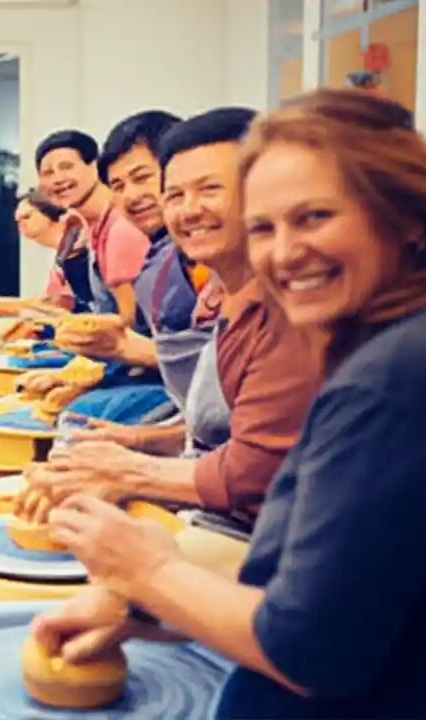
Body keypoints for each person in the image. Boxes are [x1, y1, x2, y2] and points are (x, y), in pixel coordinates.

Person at [34, 89, 426, 717]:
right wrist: (144, 609)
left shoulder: (387, 381)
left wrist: (147, 570)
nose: (284, 252)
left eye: (315, 218)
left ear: (406, 216)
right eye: (264, 228)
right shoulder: (372, 349)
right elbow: (337, 592)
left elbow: (311, 650)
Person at [21, 108, 322, 525]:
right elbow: (219, 429)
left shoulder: (294, 310)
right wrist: (135, 440)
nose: (189, 210)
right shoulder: (223, 289)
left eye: (210, 189)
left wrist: (130, 470)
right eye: (176, 195)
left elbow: (250, 472)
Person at [35, 130, 152, 328]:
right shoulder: (91, 229)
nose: (57, 179)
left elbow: (131, 322)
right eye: (48, 173)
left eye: (67, 167)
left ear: (95, 167)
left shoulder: (121, 229)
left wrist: (66, 324)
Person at [0, 189, 87, 315]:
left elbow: (60, 303)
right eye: (17, 222)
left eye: (27, 217)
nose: (21, 225)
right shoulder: (62, 256)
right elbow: (49, 301)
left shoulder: (77, 242)